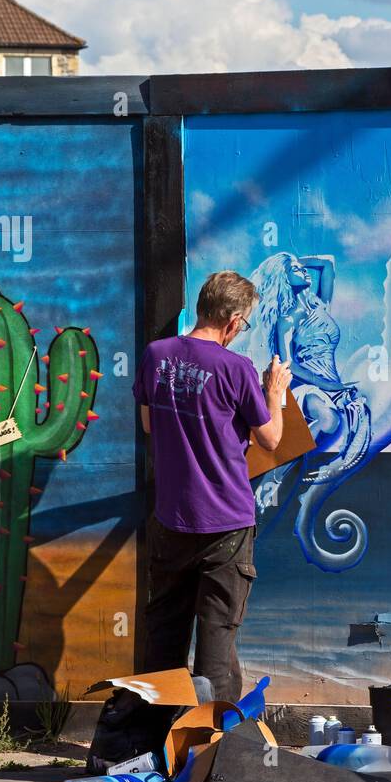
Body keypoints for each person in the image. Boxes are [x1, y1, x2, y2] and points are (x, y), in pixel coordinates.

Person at [132, 270, 291, 700]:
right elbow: (271, 439)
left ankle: (148, 743)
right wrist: (274, 393)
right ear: (234, 321)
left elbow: (150, 424)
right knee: (216, 646)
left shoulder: (155, 355)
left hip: (171, 518)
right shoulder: (236, 368)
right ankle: (209, 750)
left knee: (163, 636)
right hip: (226, 523)